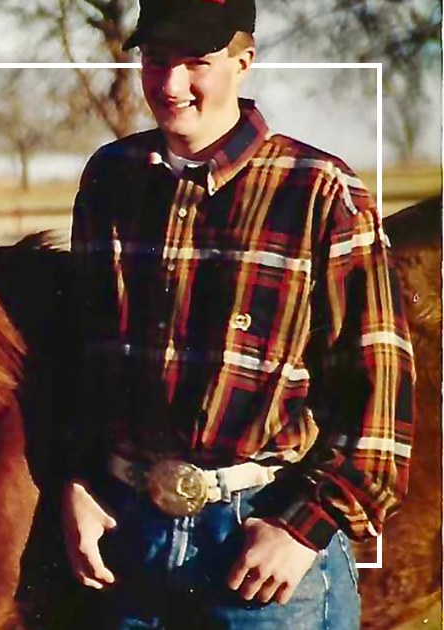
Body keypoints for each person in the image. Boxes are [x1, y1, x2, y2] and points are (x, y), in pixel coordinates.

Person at [63, 1, 415, 628]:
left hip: (261, 541)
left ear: (243, 63)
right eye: (157, 60)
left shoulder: (319, 192)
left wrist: (304, 531)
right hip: (128, 546)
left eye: (196, 62)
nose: (170, 85)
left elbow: (377, 393)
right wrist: (81, 481)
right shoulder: (109, 181)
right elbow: (81, 357)